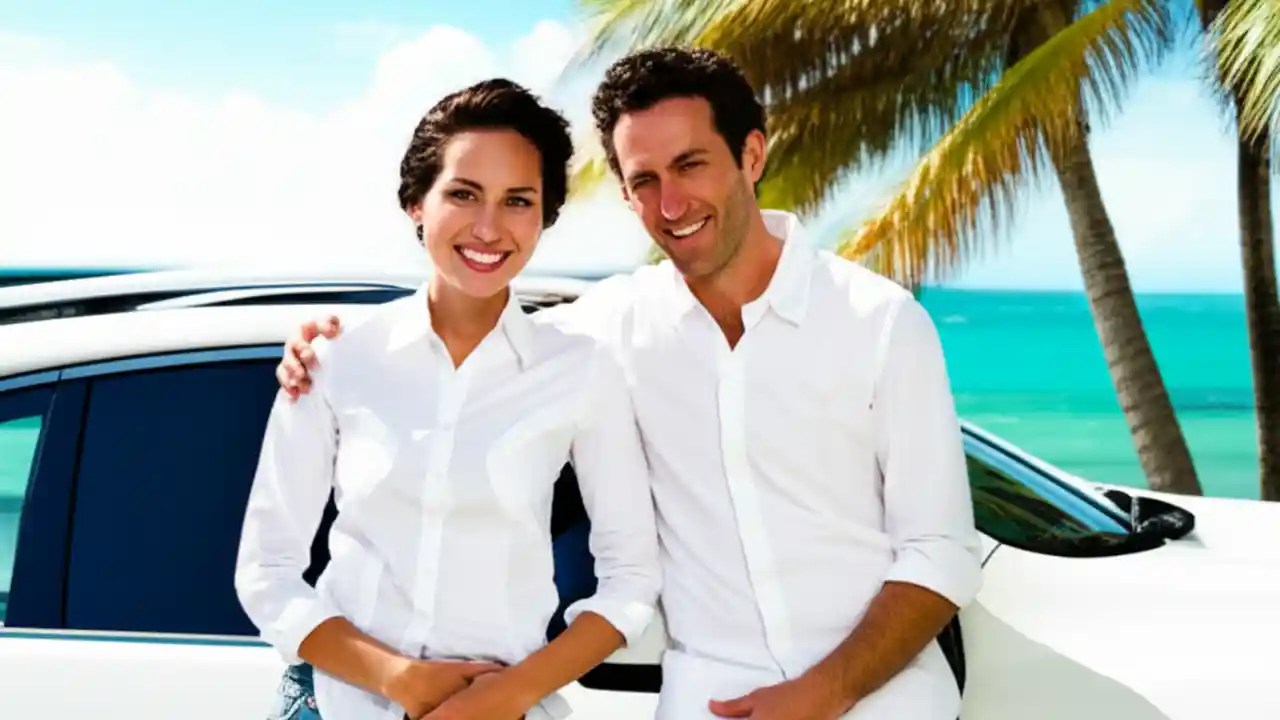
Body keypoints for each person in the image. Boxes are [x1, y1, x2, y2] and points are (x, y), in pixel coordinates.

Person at [279, 48, 982, 720]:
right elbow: (470, 325)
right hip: (706, 701)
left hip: (883, 701)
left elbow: (939, 550)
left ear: (753, 155)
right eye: (643, 180)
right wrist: (322, 342)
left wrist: (824, 694)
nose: (670, 202)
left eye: (690, 165)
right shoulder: (609, 327)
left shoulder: (879, 321)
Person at [235, 78, 661, 720]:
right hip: (332, 705)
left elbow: (631, 579)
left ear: (543, 218)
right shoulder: (335, 358)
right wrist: (402, 679)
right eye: (463, 193)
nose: (489, 227)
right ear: (416, 202)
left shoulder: (580, 368)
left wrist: (509, 696)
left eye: (518, 200)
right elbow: (265, 570)